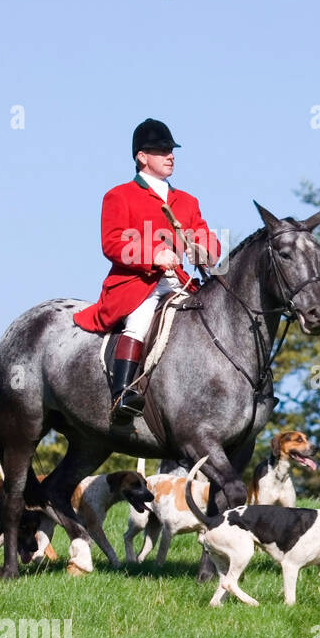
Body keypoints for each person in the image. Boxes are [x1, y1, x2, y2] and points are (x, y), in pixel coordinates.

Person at [74, 119, 219, 425]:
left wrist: (205, 250)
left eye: (171, 150)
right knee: (139, 323)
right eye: (162, 150)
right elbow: (112, 243)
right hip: (136, 284)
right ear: (142, 156)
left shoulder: (187, 201)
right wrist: (155, 255)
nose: (171, 155)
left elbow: (205, 236)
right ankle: (122, 395)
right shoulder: (120, 195)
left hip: (178, 283)